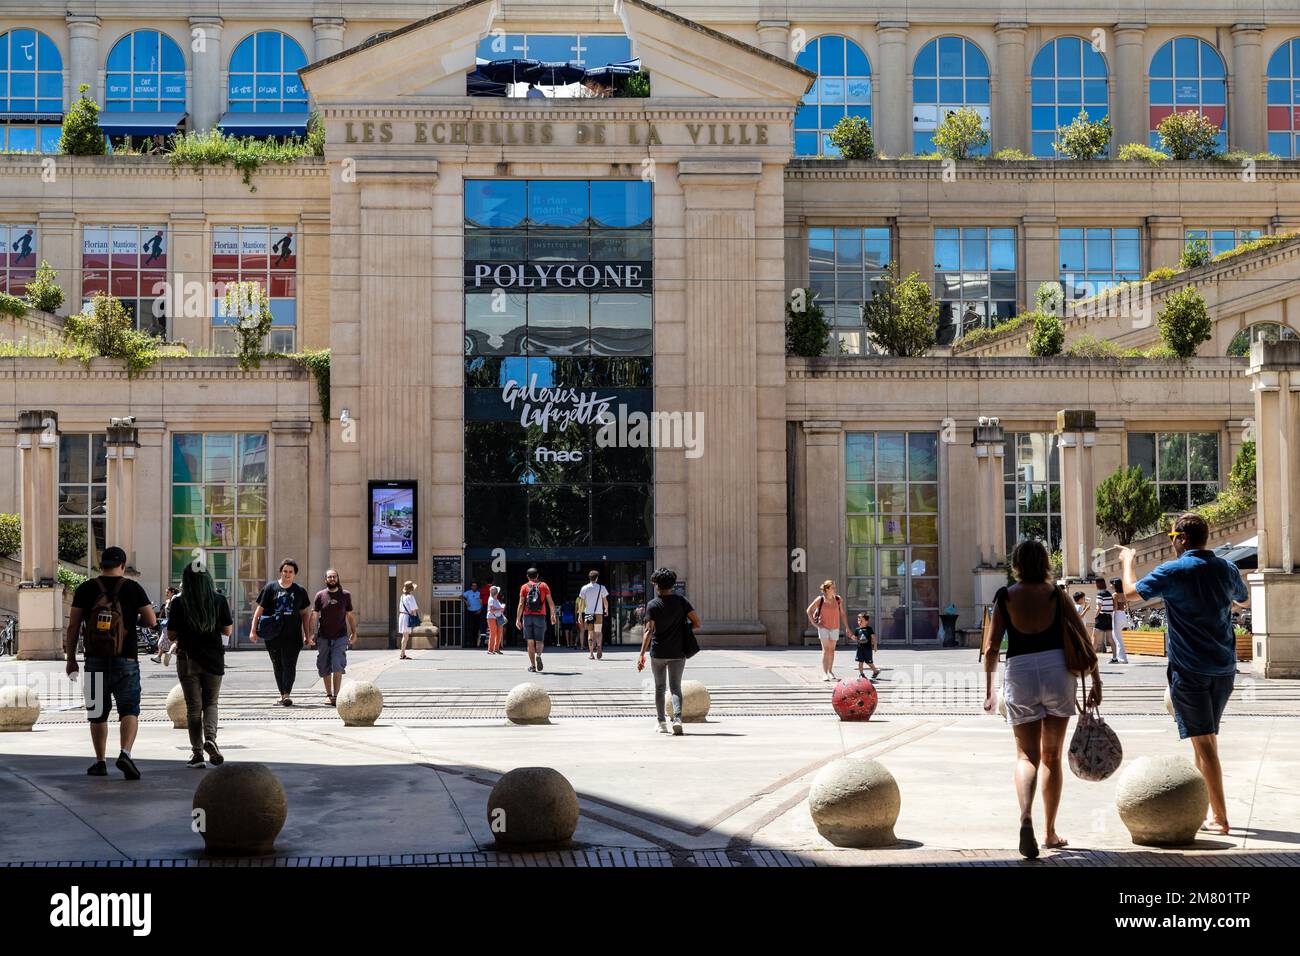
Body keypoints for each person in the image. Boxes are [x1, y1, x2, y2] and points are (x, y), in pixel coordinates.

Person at [1121, 512, 1248, 836]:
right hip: (1223, 668)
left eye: (1171, 536)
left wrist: (1127, 560)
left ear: (1182, 538)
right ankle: (1201, 808)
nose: (1171, 542)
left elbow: (1131, 592)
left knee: (1204, 743)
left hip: (1189, 669)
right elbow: (1242, 597)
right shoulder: (1226, 567)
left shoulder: (1174, 571)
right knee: (1204, 739)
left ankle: (1219, 816)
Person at [983, 540, 1101, 859]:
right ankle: (1049, 831)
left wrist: (989, 689)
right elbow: (1082, 639)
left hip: (1019, 671)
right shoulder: (1056, 595)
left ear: (1016, 563)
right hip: (1056, 670)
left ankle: (1025, 819)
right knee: (1052, 756)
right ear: (1045, 562)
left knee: (1025, 756)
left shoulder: (1005, 596)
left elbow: (992, 648)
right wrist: (1096, 681)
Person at [64, 546, 156, 780]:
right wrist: (132, 622)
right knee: (129, 710)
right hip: (126, 659)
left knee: (97, 712)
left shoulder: (86, 588)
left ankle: (100, 762)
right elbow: (151, 620)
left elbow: (73, 625)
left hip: (94, 660)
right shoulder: (133, 588)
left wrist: (71, 659)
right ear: (123, 565)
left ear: (100, 565)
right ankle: (125, 753)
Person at [167, 563, 233, 768]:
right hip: (213, 658)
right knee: (211, 703)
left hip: (188, 659)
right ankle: (210, 739)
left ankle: (197, 755)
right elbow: (228, 631)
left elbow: (170, 635)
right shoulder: (219, 600)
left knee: (193, 708)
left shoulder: (178, 602)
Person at [637, 567, 701, 736]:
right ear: (672, 584)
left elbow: (648, 631)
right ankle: (678, 719)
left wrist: (641, 654)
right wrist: (683, 630)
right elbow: (696, 623)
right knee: (675, 688)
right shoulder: (682, 601)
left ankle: (661, 722)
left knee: (659, 687)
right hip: (678, 652)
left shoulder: (652, 604)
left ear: (657, 586)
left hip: (658, 652)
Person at [250, 559, 312, 706]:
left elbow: (304, 614)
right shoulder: (270, 588)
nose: (287, 574)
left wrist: (307, 635)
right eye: (285, 571)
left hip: (293, 636)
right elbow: (259, 611)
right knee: (278, 665)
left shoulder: (300, 591)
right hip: (273, 635)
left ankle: (286, 694)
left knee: (289, 664)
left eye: (290, 572)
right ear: (281, 572)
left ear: (295, 574)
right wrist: (253, 631)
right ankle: (282, 694)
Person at [310, 569, 356, 707]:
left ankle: (337, 695)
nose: (332, 579)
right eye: (329, 577)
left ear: (337, 578)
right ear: (325, 580)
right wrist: (310, 633)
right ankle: (328, 695)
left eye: (334, 576)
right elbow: (314, 616)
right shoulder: (320, 595)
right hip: (323, 636)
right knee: (324, 666)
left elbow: (350, 615)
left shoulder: (346, 595)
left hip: (340, 636)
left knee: (337, 664)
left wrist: (354, 632)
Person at [515, 567, 556, 673]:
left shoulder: (524, 587)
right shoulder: (544, 585)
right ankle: (538, 655)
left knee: (530, 642)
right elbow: (550, 602)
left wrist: (518, 619)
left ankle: (533, 666)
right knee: (539, 641)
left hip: (527, 616)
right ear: (537, 576)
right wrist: (553, 615)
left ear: (527, 576)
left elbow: (521, 604)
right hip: (540, 616)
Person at [806, 580, 848, 682]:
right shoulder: (820, 599)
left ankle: (830, 671)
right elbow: (808, 610)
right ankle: (825, 673)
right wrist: (815, 624)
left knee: (832, 650)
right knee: (826, 650)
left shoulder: (838, 599)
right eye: (833, 587)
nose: (835, 589)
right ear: (827, 589)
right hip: (823, 627)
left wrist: (847, 627)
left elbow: (842, 614)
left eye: (835, 587)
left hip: (835, 627)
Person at [579, 570, 610, 660]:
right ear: (597, 578)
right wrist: (606, 609)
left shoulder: (584, 588)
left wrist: (580, 614)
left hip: (589, 613)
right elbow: (605, 601)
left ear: (589, 577)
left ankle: (591, 654)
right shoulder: (602, 588)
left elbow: (581, 603)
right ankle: (599, 646)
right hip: (599, 613)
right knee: (598, 632)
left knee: (590, 633)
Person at [151, 586, 180, 664]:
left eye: (167, 592)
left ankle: (163, 656)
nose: (166, 594)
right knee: (166, 640)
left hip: (173, 623)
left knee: (173, 641)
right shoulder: (168, 601)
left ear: (172, 592)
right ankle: (160, 656)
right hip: (168, 622)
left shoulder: (176, 599)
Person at [1108, 577, 1131, 664]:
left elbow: (1115, 607)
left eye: (1111, 583)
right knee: (1119, 638)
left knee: (1117, 638)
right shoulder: (1124, 594)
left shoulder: (1114, 595)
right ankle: (1121, 657)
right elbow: (1126, 606)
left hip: (1117, 615)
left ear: (1114, 585)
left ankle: (1122, 658)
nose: (1110, 585)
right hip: (1123, 615)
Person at [853, 612, 880, 679]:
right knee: (860, 661)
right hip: (860, 648)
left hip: (868, 649)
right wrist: (852, 637)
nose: (859, 622)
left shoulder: (869, 629)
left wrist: (875, 646)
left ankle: (875, 671)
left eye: (861, 620)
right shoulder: (857, 629)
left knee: (869, 662)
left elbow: (873, 638)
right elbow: (856, 638)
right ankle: (861, 674)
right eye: (858, 620)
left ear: (866, 621)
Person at [1092, 577, 1115, 655]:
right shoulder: (1109, 593)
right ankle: (1115, 657)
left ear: (1097, 584)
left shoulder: (1099, 594)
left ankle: (1091, 657)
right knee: (1110, 639)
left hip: (1101, 617)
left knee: (1094, 637)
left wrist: (1095, 616)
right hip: (1109, 617)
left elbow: (1099, 608)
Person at [398, 581, 419, 660]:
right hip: (407, 617)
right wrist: (415, 618)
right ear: (411, 589)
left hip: (402, 616)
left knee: (404, 636)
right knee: (406, 636)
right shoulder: (411, 597)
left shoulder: (402, 596)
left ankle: (402, 653)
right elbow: (414, 609)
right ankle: (402, 654)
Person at [463, 581, 483, 649]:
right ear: (471, 587)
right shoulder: (468, 592)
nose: (474, 587)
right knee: (470, 628)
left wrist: (480, 610)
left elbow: (482, 602)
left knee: (476, 628)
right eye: (473, 585)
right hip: (470, 612)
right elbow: (460, 596)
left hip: (477, 612)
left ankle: (475, 643)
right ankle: (469, 643)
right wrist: (466, 601)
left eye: (475, 585)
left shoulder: (479, 593)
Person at [486, 585, 505, 654]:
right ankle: (490, 650)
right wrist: (500, 609)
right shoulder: (491, 599)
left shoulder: (496, 600)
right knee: (493, 633)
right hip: (491, 617)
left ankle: (496, 649)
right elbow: (492, 610)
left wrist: (501, 608)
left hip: (498, 617)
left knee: (499, 633)